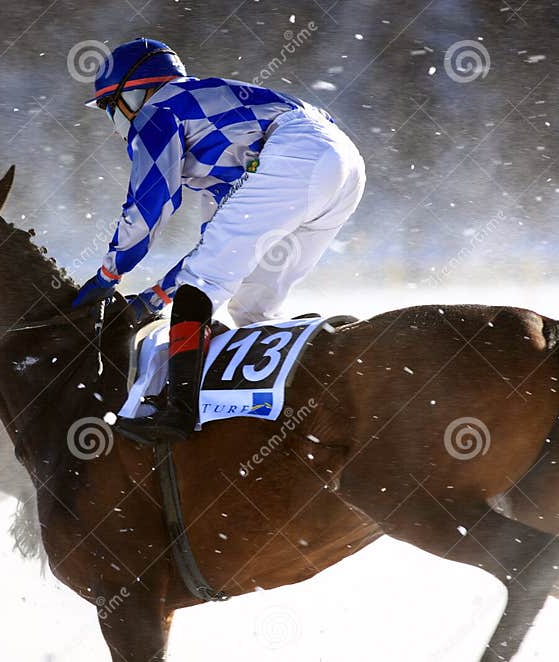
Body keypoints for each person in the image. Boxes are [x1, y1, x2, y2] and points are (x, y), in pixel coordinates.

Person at [72, 38, 366, 443]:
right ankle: (291, 409)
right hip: (341, 163)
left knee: (202, 285)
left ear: (134, 93)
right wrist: (154, 297)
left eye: (110, 107)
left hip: (299, 152)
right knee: (253, 304)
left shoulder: (157, 110)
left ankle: (177, 412)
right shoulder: (213, 131)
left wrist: (109, 274)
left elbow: (149, 204)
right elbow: (215, 245)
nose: (114, 122)